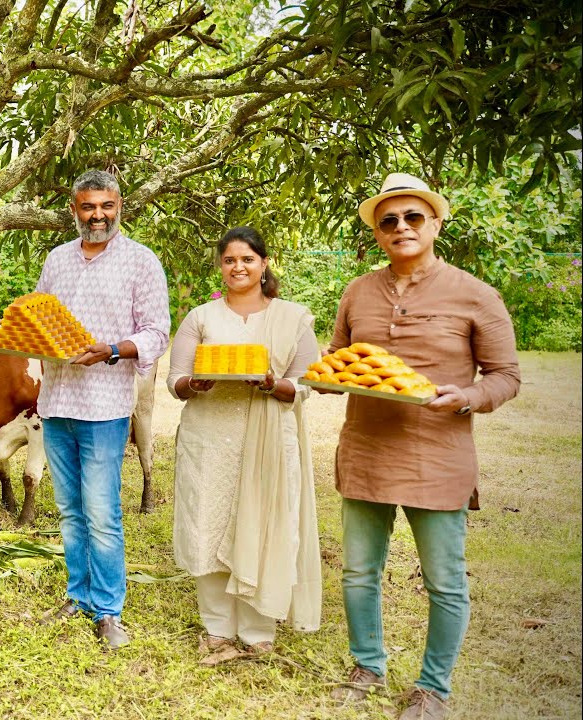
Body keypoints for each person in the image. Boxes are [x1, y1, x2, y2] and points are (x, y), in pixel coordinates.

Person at [325, 173, 521, 720]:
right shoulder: (359, 291)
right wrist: (324, 375)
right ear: (378, 234)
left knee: (444, 580)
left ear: (436, 222)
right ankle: (367, 664)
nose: (401, 227)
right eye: (389, 221)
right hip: (365, 447)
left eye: (413, 217)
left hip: (438, 454)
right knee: (359, 570)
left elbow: (506, 376)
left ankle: (432, 688)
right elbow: (339, 355)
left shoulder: (475, 294)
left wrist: (468, 396)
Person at [166, 227, 323, 664]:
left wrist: (275, 385)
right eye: (230, 260)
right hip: (209, 438)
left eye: (248, 260)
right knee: (207, 524)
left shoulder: (292, 317)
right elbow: (174, 380)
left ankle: (258, 629)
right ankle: (216, 628)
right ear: (221, 266)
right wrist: (194, 383)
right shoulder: (201, 317)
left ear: (264, 264)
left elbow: (305, 382)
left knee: (268, 524)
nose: (239, 267)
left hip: (270, 438)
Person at [35, 169, 170, 650]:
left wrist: (111, 348)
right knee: (70, 510)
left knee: (102, 512)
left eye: (106, 206)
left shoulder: (141, 261)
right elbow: (40, 318)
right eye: (88, 207)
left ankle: (108, 610)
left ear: (120, 207)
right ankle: (79, 594)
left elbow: (157, 332)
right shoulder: (56, 260)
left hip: (105, 406)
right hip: (55, 401)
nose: (98, 215)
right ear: (74, 210)